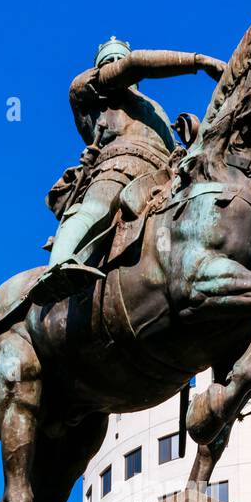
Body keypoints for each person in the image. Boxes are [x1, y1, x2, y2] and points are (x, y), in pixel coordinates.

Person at [30, 37, 226, 306]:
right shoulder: (87, 89)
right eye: (110, 61)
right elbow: (135, 65)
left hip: (164, 176)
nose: (115, 65)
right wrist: (200, 61)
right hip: (119, 165)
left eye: (118, 60)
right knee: (97, 208)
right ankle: (58, 268)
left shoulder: (153, 108)